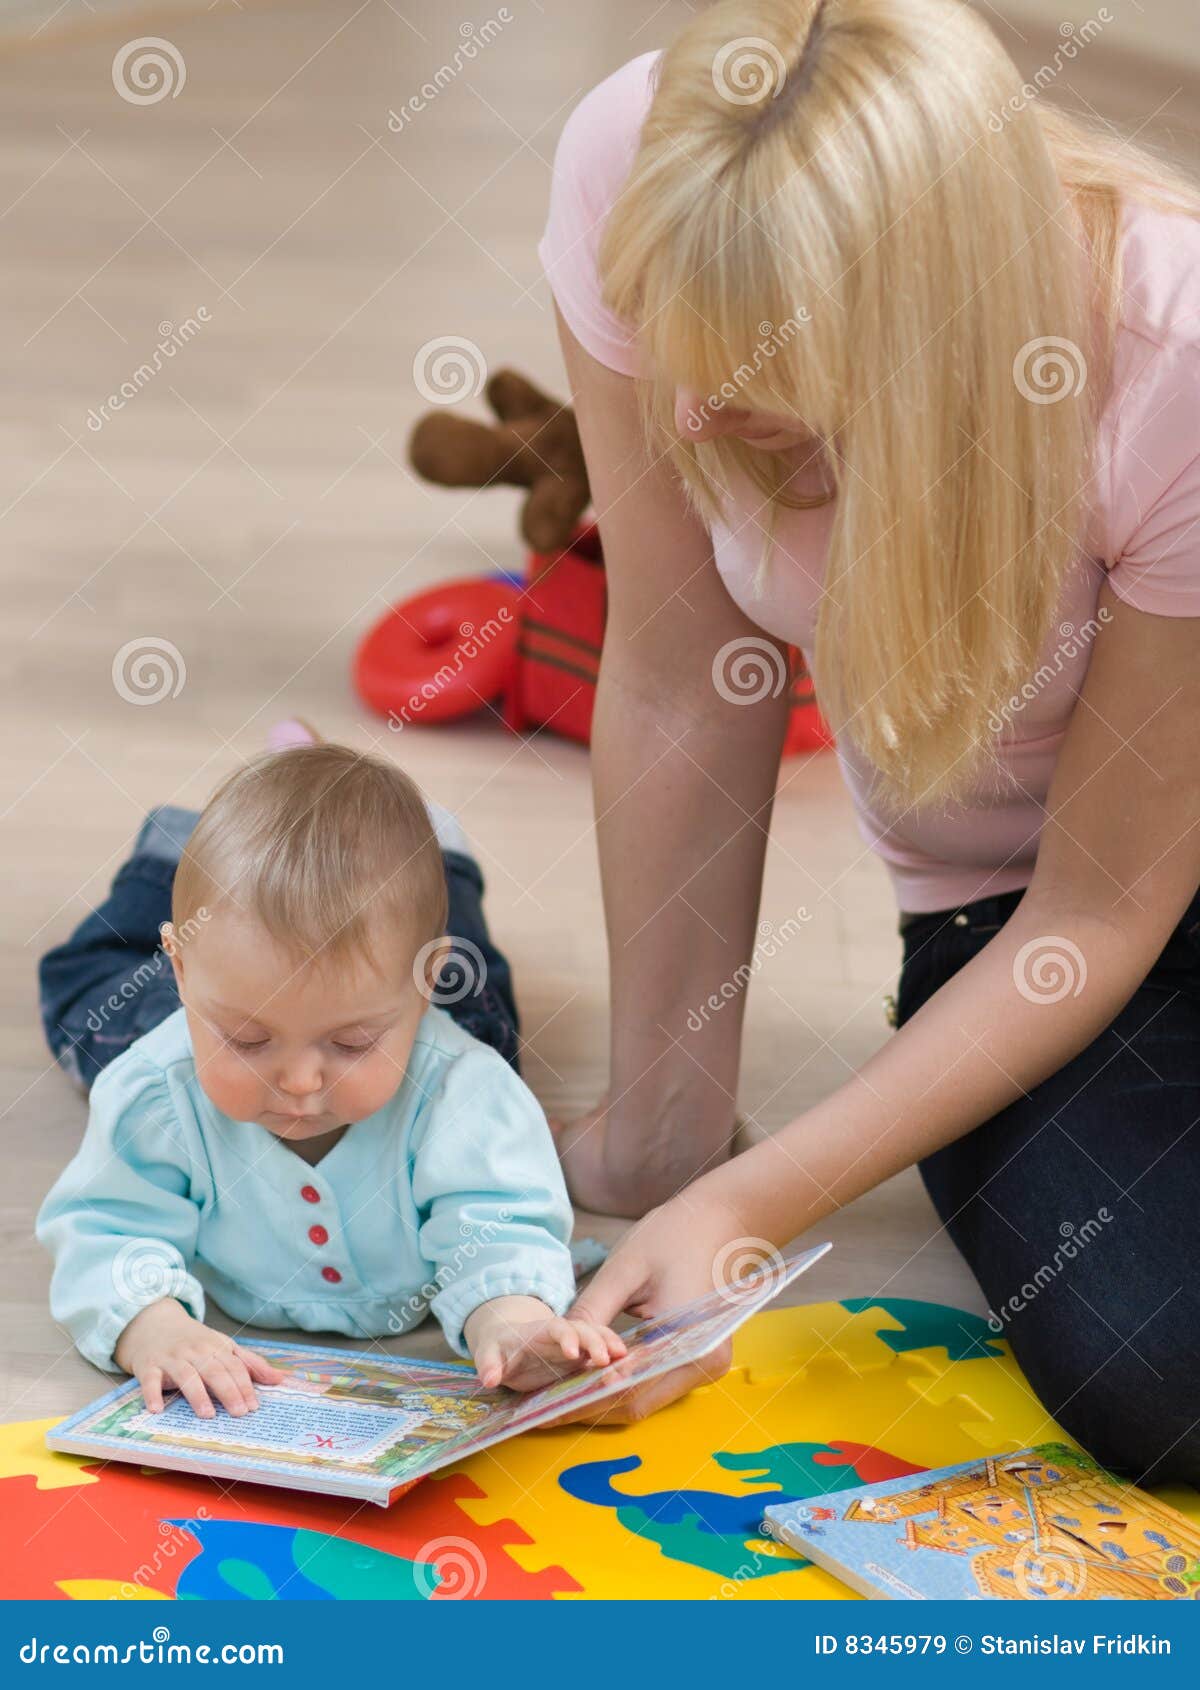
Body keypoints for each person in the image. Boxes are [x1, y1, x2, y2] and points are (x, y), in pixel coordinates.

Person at [540, 0, 1200, 1479]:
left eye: (777, 417)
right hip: (1023, 916)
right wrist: (672, 1141)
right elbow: (681, 663)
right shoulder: (642, 173)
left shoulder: (1175, 357)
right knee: (1166, 1370)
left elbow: (1118, 894)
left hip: (1134, 877)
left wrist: (752, 1204)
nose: (700, 417)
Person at [37, 736, 623, 1416]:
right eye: (247, 1039)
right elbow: (104, 1226)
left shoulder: (466, 1090)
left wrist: (511, 1320)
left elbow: (497, 1222)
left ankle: (447, 862)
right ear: (182, 971)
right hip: (187, 987)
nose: (298, 1080)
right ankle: (170, 847)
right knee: (87, 1008)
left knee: (479, 998)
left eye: (349, 1043)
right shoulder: (155, 1089)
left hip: (427, 1001)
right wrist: (152, 1325)